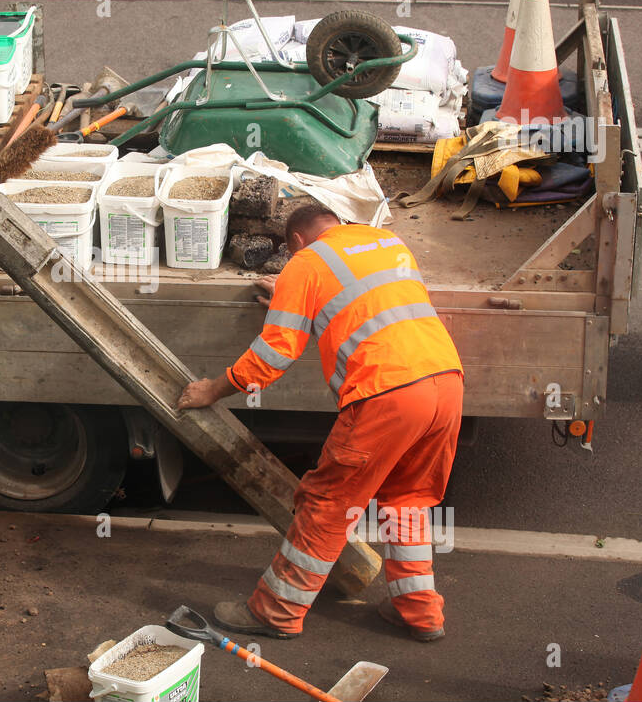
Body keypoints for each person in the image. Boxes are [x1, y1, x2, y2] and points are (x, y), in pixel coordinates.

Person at [176, 201, 464, 642]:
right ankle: (420, 612)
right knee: (408, 502)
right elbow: (364, 302)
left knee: (329, 505)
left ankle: (276, 611)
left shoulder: (305, 263)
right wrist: (299, 299)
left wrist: (212, 389)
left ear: (295, 241)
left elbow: (274, 355)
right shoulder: (384, 241)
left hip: (387, 394)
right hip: (445, 383)